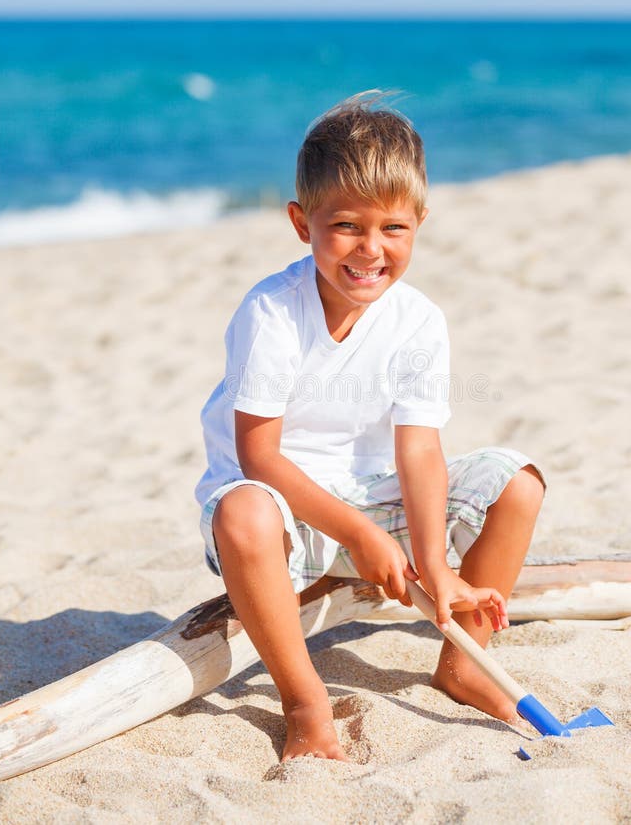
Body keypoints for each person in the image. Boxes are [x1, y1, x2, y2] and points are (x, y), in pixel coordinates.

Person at [195, 91, 545, 762]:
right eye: (347, 226)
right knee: (243, 511)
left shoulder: (419, 321)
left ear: (419, 224)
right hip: (277, 514)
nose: (370, 249)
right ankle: (304, 700)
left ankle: (465, 664)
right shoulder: (272, 311)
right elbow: (258, 453)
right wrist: (358, 534)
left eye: (393, 229)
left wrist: (434, 565)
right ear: (302, 223)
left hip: (368, 492)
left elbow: (418, 447)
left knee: (518, 482)